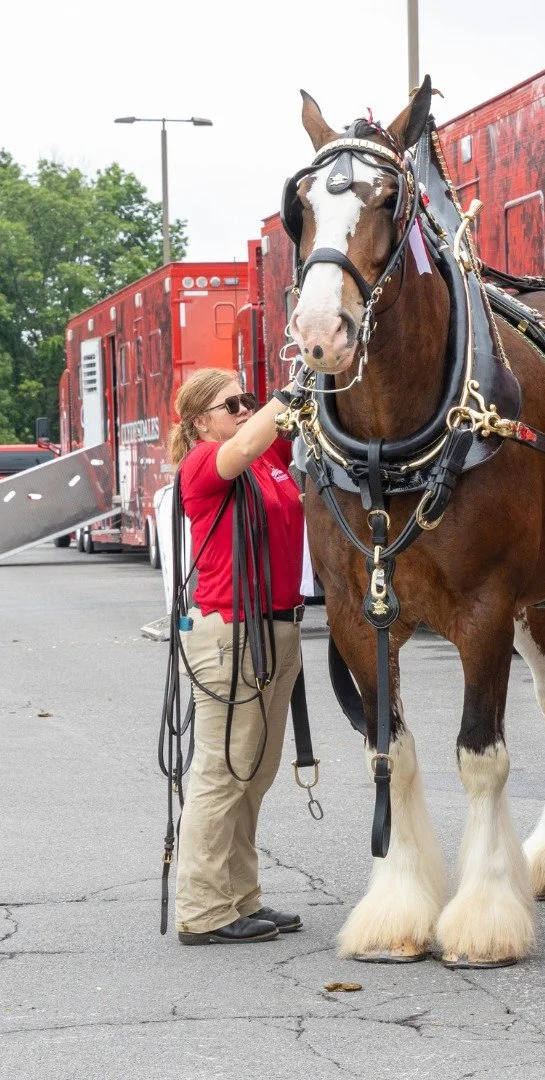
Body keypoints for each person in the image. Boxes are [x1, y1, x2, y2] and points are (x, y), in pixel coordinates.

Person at [169, 369, 306, 945]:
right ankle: (202, 910)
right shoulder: (204, 463)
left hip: (274, 628)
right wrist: (288, 391)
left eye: (251, 400)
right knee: (222, 770)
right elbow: (253, 438)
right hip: (228, 632)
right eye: (234, 405)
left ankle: (241, 896)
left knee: (254, 773)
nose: (248, 411)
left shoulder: (265, 458)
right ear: (202, 421)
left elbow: (297, 430)